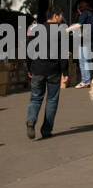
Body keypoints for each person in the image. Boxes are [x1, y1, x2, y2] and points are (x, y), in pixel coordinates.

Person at [26, 8, 70, 139]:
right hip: (53, 70)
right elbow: (63, 55)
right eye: (61, 15)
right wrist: (65, 72)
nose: (62, 18)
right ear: (55, 16)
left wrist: (29, 68)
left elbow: (29, 51)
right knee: (52, 100)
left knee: (35, 98)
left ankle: (31, 120)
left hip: (37, 68)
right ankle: (46, 130)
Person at [73, 0, 93, 88]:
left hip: (83, 39)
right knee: (87, 60)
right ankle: (88, 79)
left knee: (82, 60)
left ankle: (85, 80)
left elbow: (79, 24)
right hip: (91, 39)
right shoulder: (91, 14)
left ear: (79, 8)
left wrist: (68, 29)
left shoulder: (84, 14)